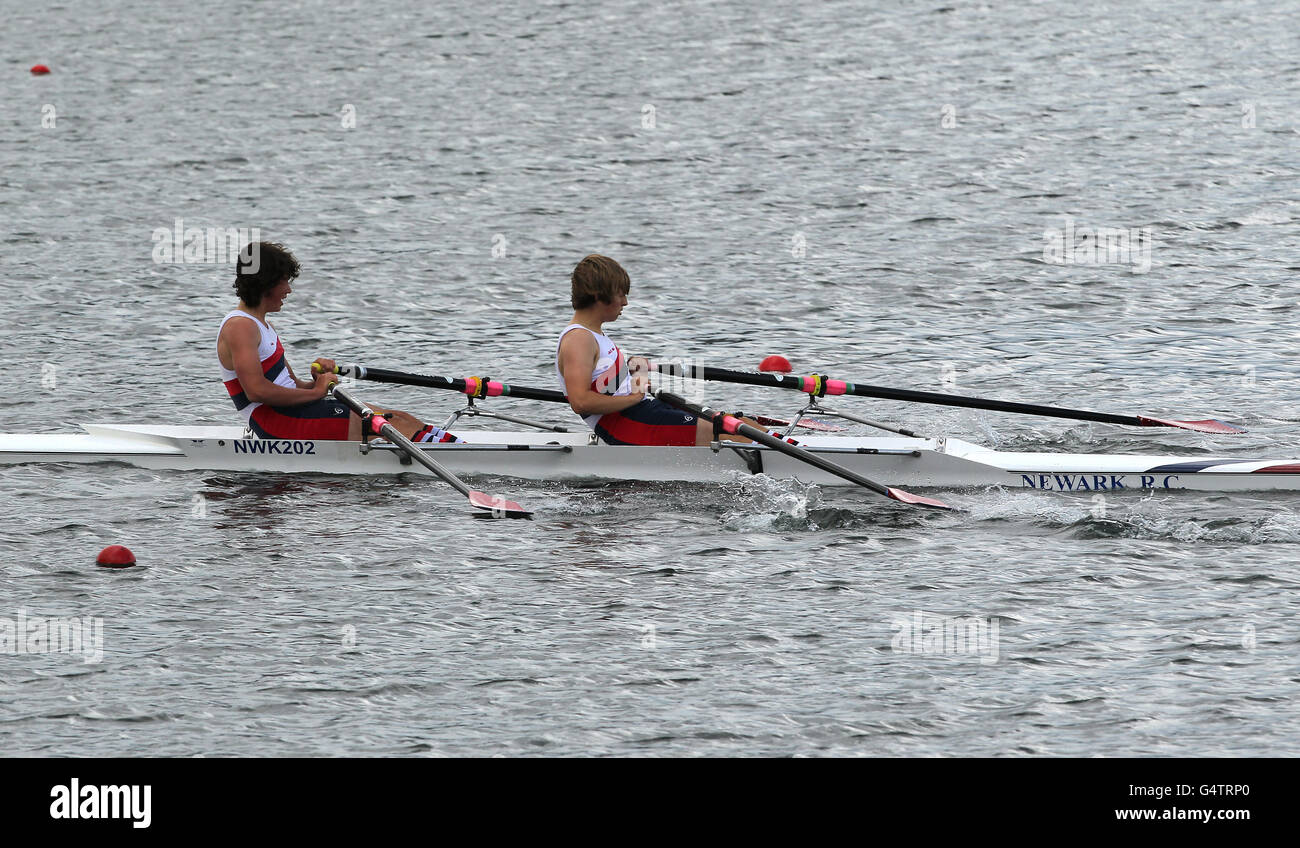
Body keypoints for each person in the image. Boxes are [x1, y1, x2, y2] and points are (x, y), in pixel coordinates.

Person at [217, 242, 460, 443]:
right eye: (284, 281)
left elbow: (291, 386)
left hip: (291, 413)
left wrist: (315, 383)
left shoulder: (261, 324)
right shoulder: (241, 326)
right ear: (266, 284)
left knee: (400, 417)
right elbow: (256, 391)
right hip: (276, 423)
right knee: (389, 424)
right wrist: (318, 393)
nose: (289, 290)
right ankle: (465, 458)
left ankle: (462, 449)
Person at [556, 254, 785, 446]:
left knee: (737, 422)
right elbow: (581, 402)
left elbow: (605, 387)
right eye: (620, 294)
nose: (625, 302)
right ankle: (788, 462)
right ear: (598, 296)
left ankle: (792, 447)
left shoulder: (593, 335)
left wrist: (635, 373)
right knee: (730, 431)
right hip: (626, 425)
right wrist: (635, 397)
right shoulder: (578, 339)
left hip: (639, 413)